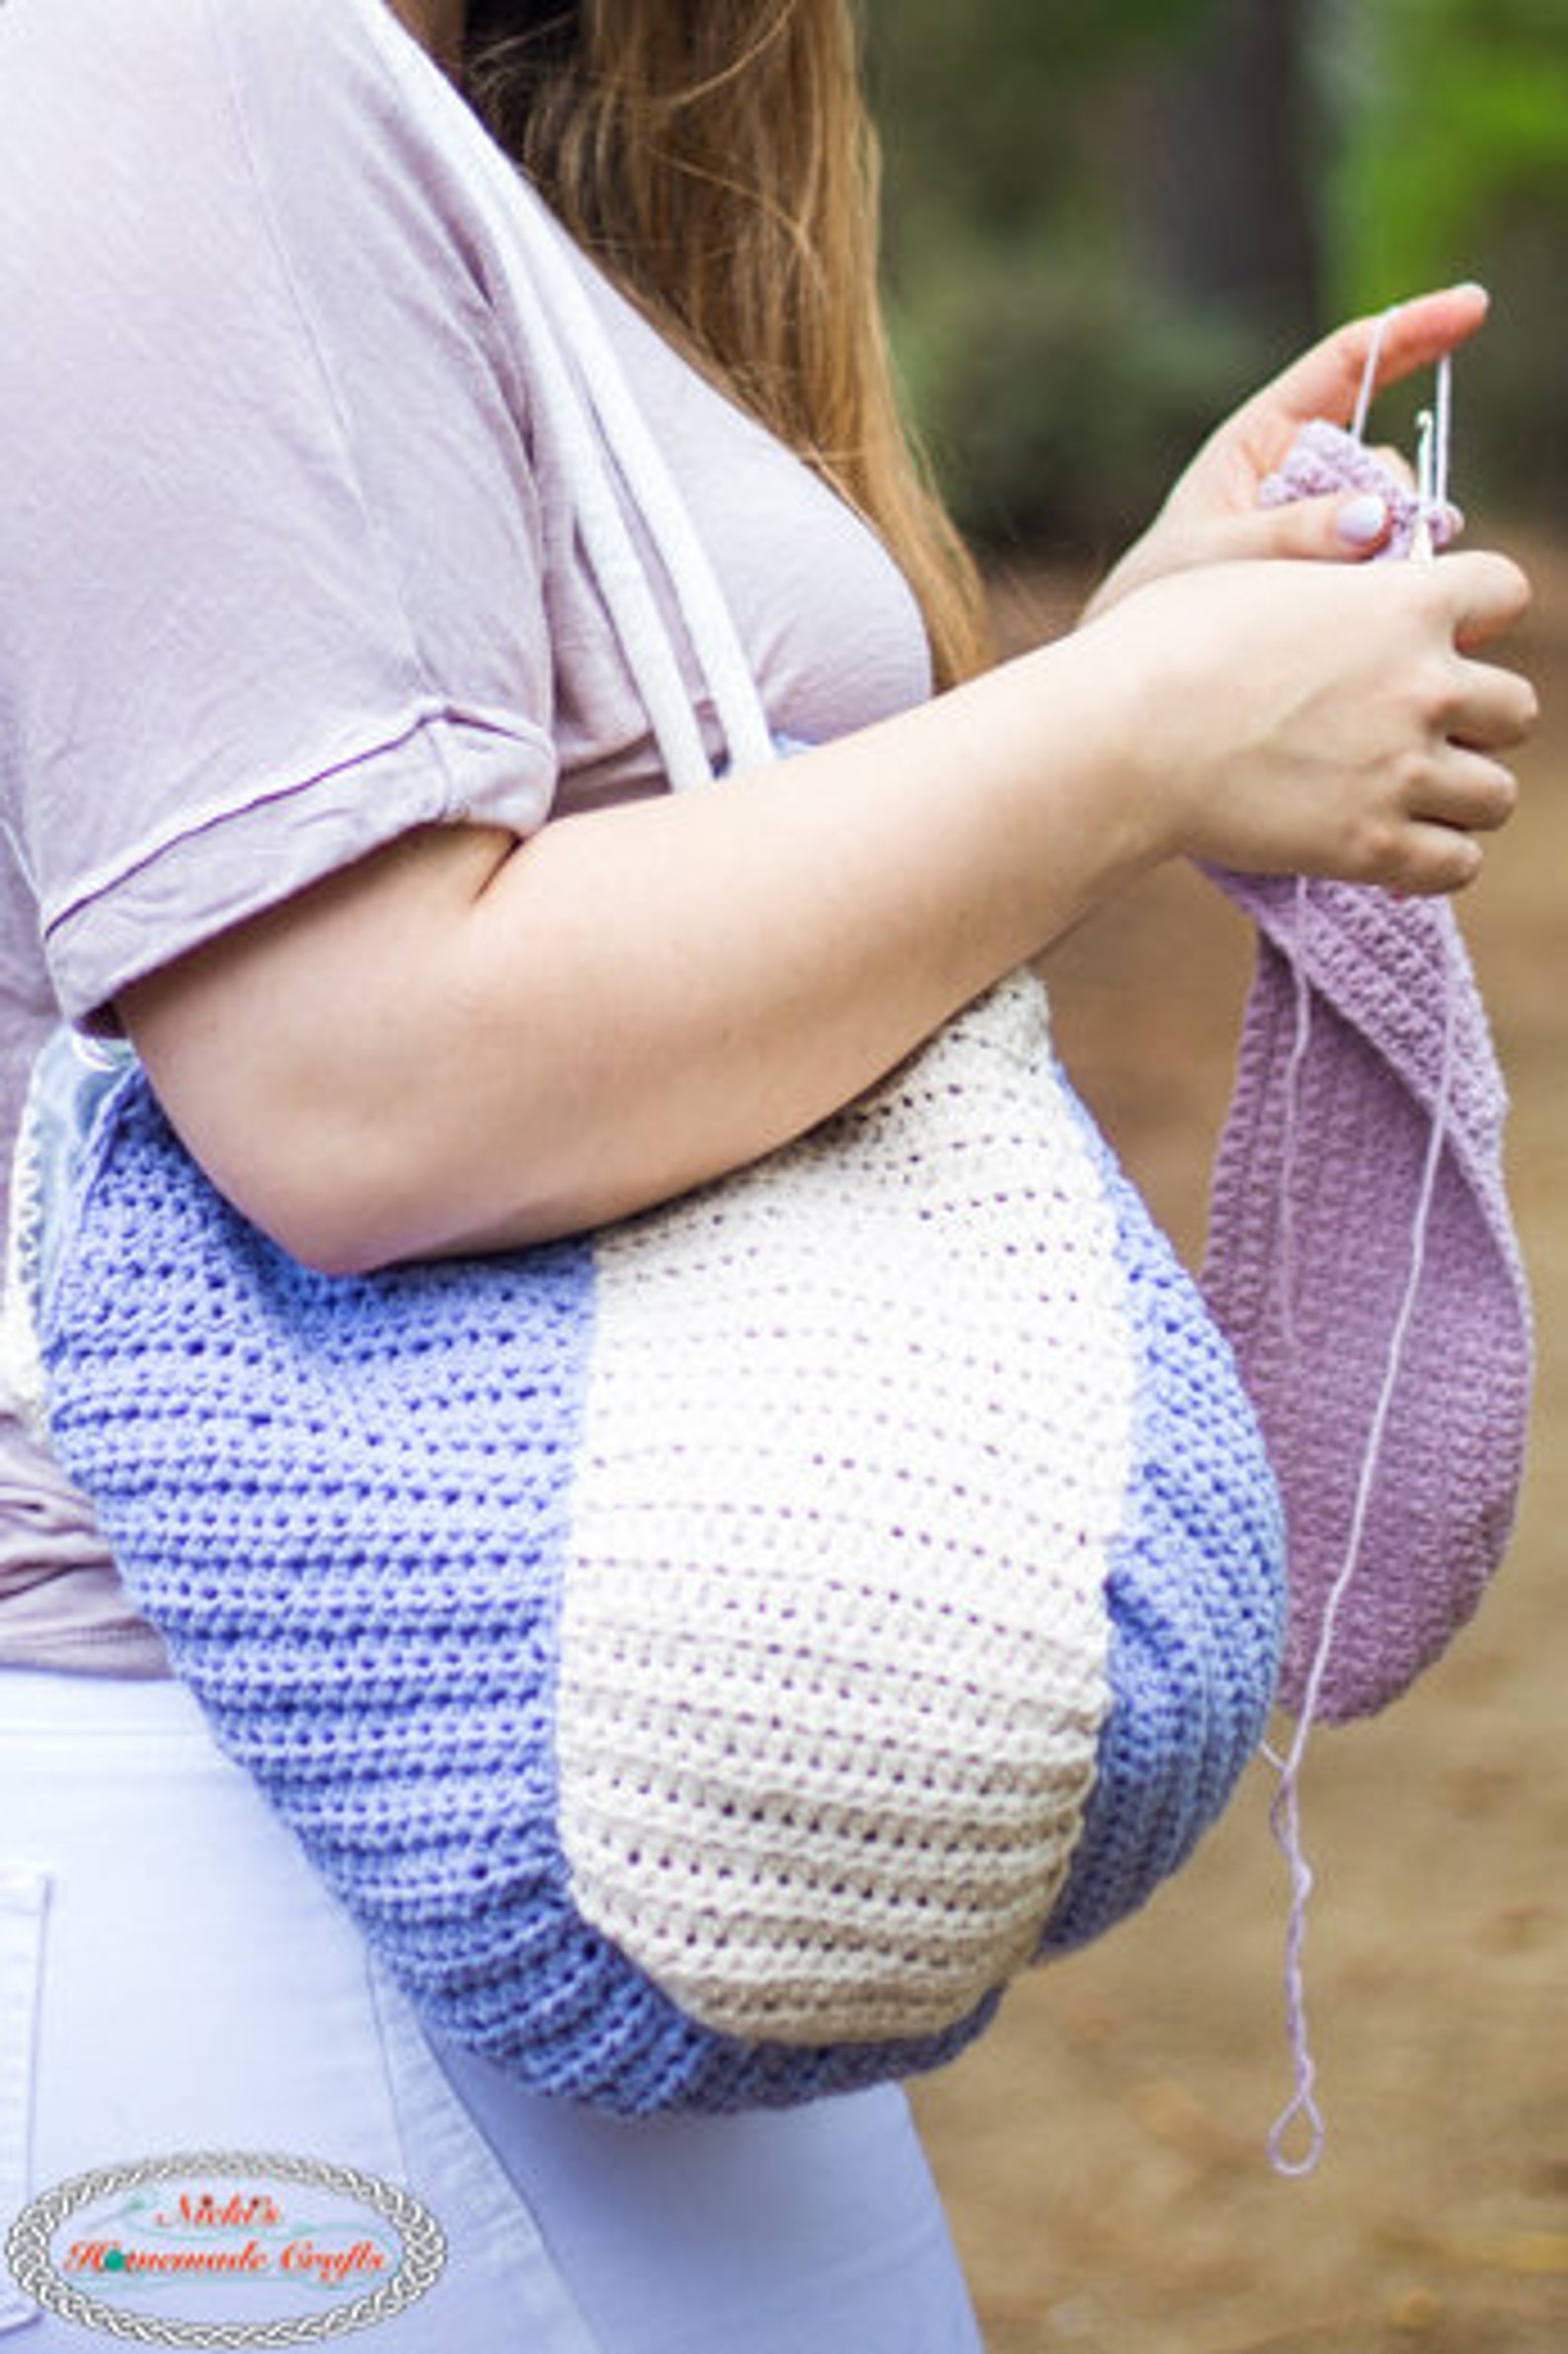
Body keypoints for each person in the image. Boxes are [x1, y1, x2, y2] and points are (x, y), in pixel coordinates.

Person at [0, 1, 1536, 2347]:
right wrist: (1116, 739)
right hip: (275, 1850)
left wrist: (1140, 662)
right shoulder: (176, 49)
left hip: (556, 1784)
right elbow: (363, 1084)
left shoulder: (419, 111)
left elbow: (644, 909)